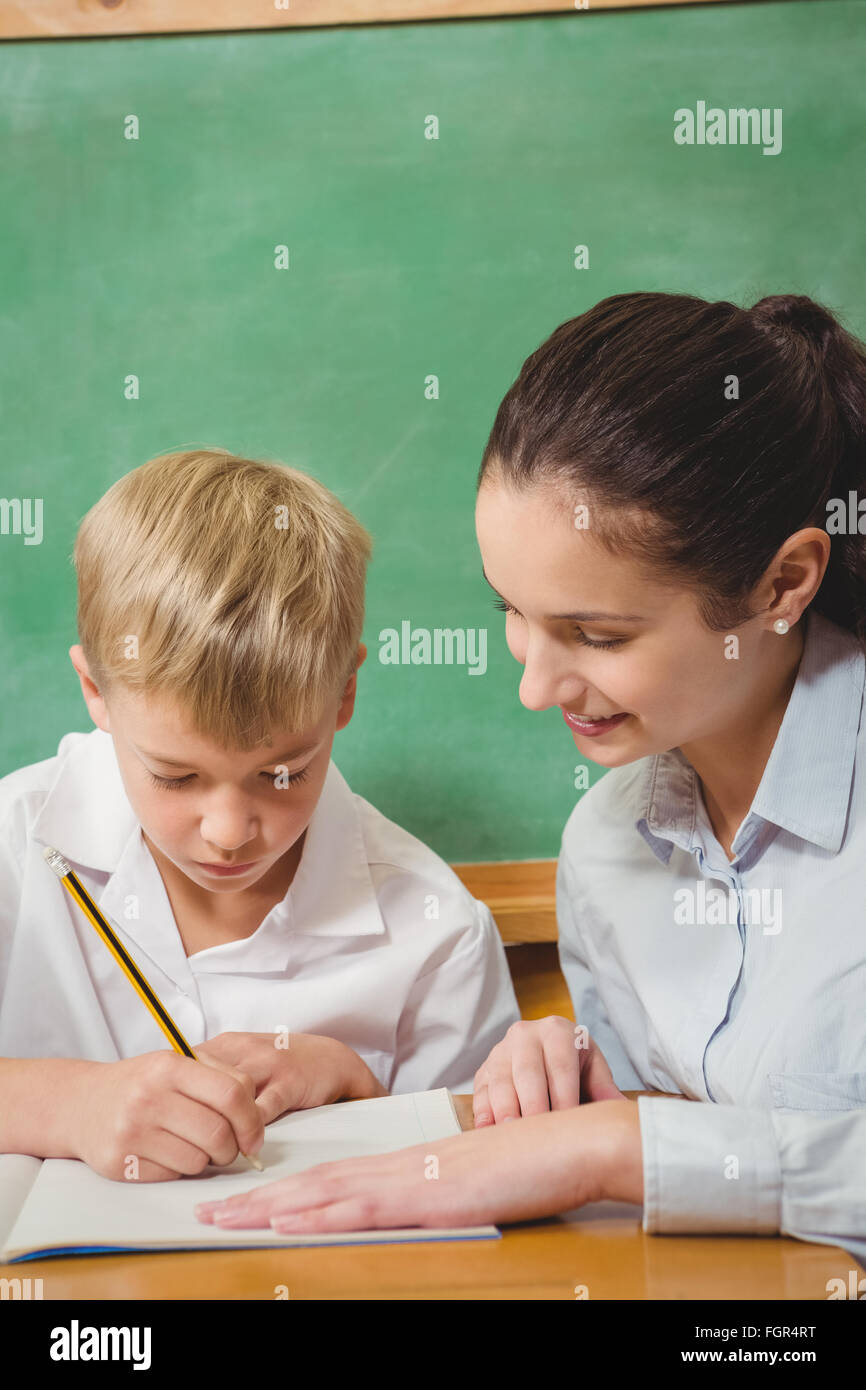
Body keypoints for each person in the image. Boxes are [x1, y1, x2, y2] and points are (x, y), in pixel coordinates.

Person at [195, 293, 866, 1269]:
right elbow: (697, 1188)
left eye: (596, 634)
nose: (532, 684)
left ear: (779, 584)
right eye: (511, 610)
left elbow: (683, 1158)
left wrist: (611, 1145)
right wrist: (574, 1089)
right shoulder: (605, 846)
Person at [0, 448, 519, 1181]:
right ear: (96, 690)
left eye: (282, 774)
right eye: (176, 776)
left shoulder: (436, 934)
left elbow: (483, 1177)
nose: (229, 831)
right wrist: (65, 1105)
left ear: (343, 697)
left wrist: (361, 1089)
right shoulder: (14, 846)